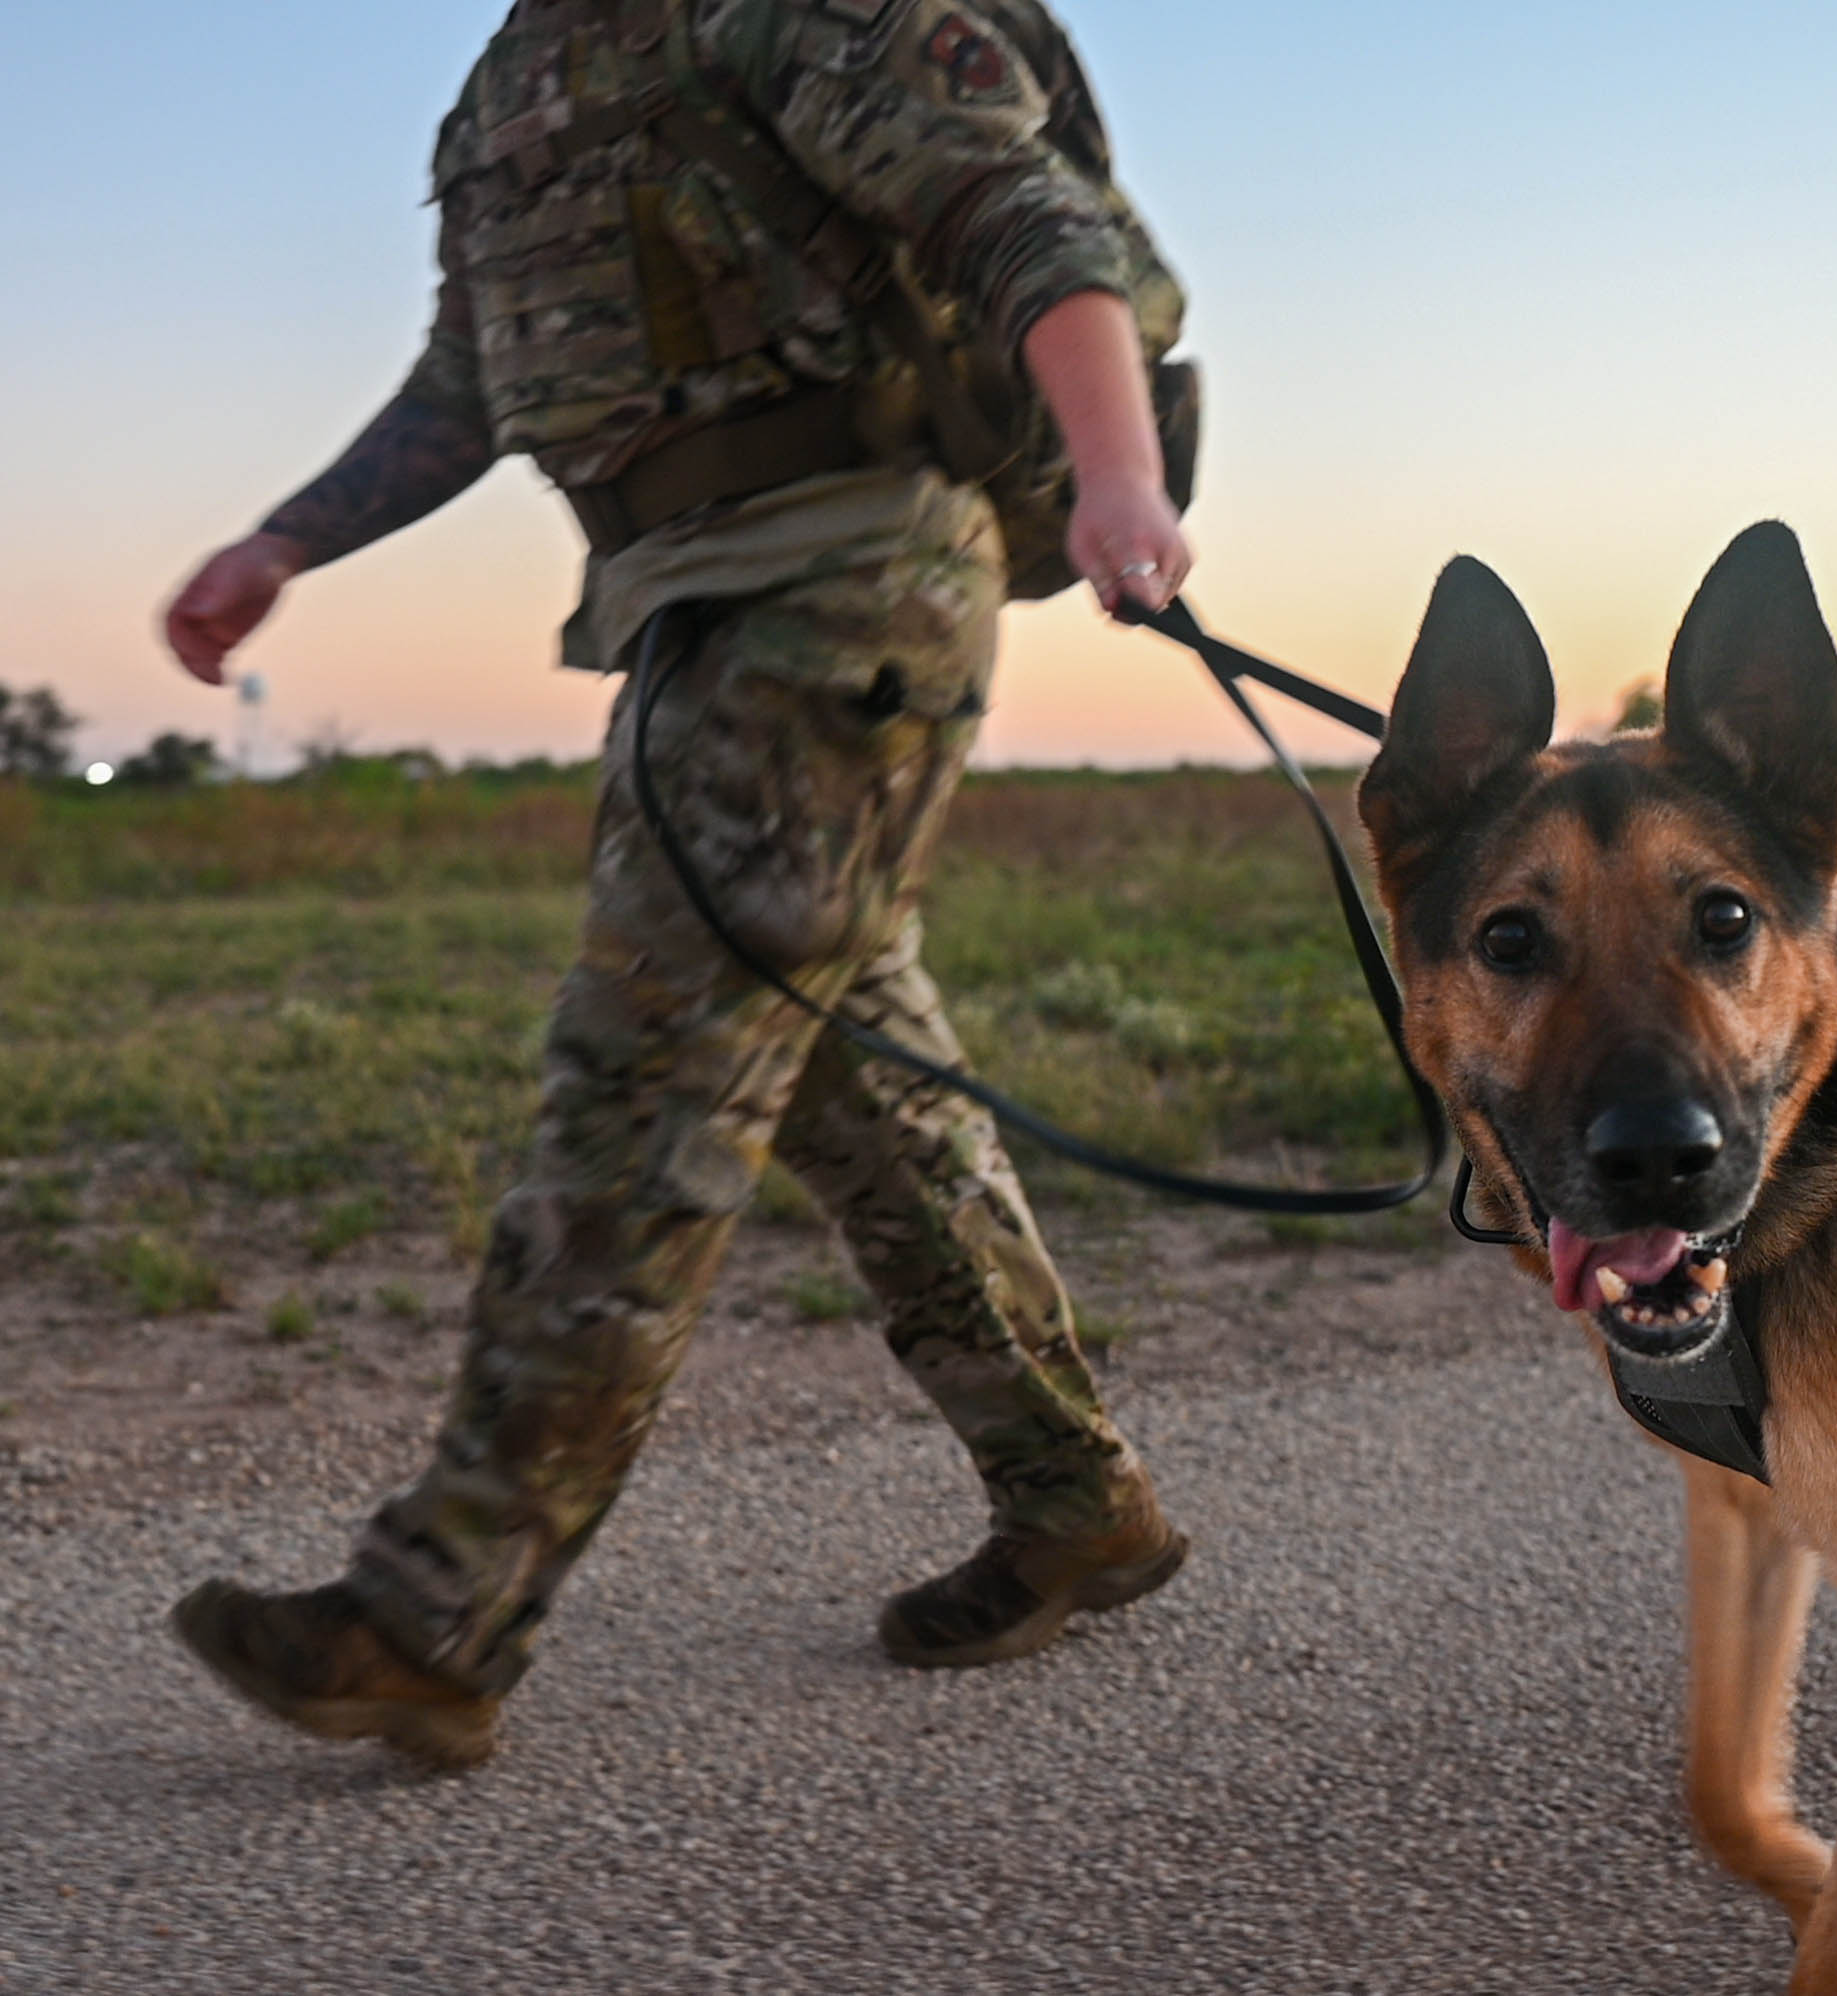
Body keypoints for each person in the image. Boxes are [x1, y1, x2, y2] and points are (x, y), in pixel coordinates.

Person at [160, 0, 1194, 1771]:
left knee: (649, 1072)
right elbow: (469, 385)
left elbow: (1020, 219)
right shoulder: (519, 77)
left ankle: (439, 1611)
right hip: (677, 605)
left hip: (848, 578)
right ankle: (1075, 1499)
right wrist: (283, 542)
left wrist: (1117, 480)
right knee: (851, 1083)